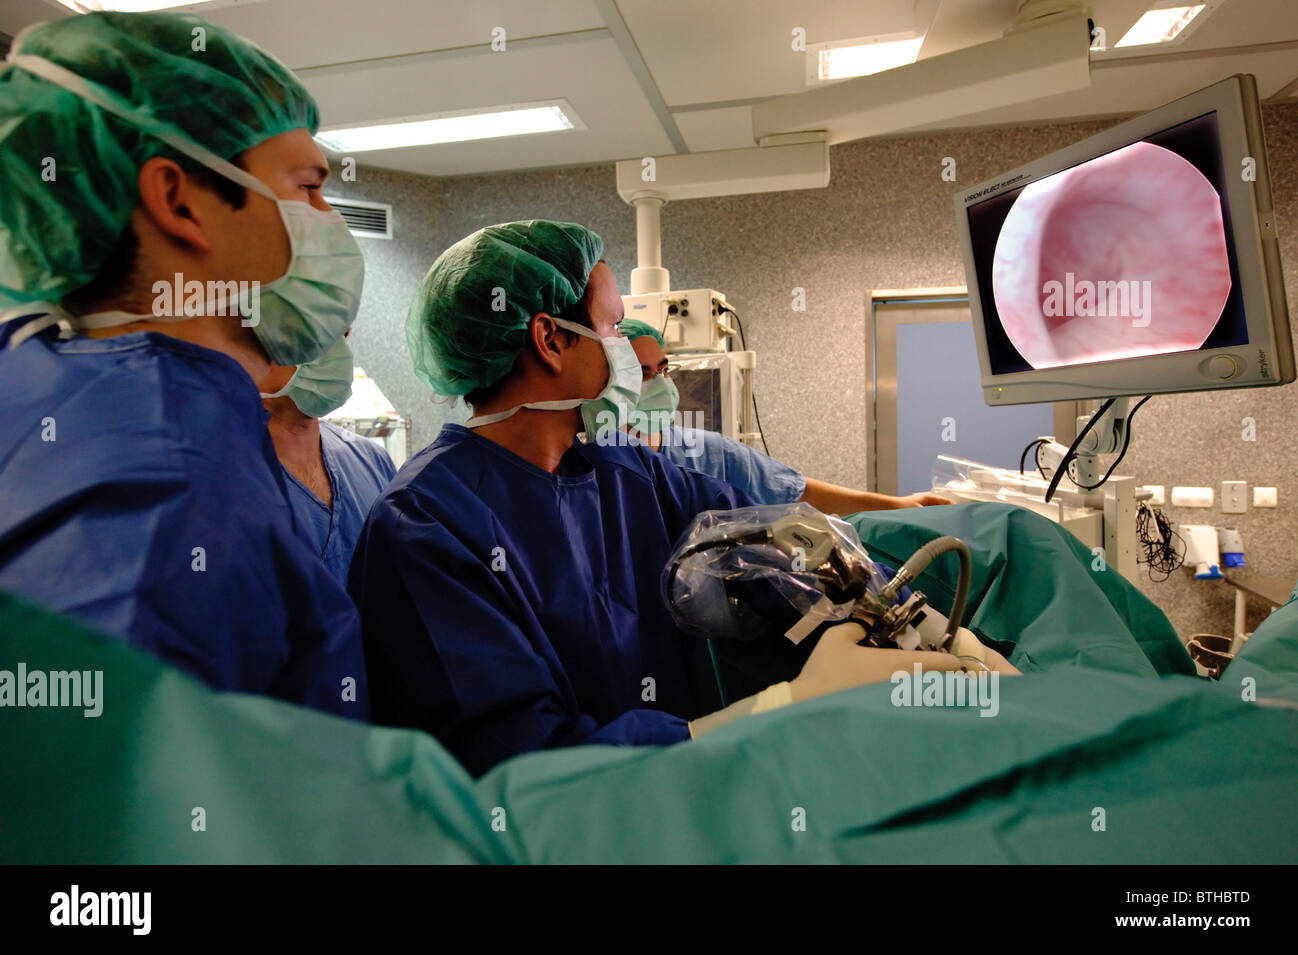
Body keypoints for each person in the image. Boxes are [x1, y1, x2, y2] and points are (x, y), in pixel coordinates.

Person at [350, 220, 990, 775]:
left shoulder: (630, 473)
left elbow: (774, 542)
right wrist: (776, 711)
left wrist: (919, 624)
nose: (628, 352)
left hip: (686, 793)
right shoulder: (424, 526)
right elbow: (516, 760)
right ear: (549, 339)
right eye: (609, 326)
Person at [0, 12, 369, 719]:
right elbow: (130, 805)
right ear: (179, 200)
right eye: (310, 187)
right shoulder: (163, 484)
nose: (332, 223)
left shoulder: (64, 401)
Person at [619, 318, 952, 512]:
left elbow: (798, 493)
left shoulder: (711, 453)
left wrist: (900, 505)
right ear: (615, 380)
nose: (660, 383)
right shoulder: (595, 459)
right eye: (643, 373)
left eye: (663, 370)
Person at [259, 335, 396, 587]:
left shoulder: (372, 461)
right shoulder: (219, 480)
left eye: (342, 333)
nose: (336, 350)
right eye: (314, 335)